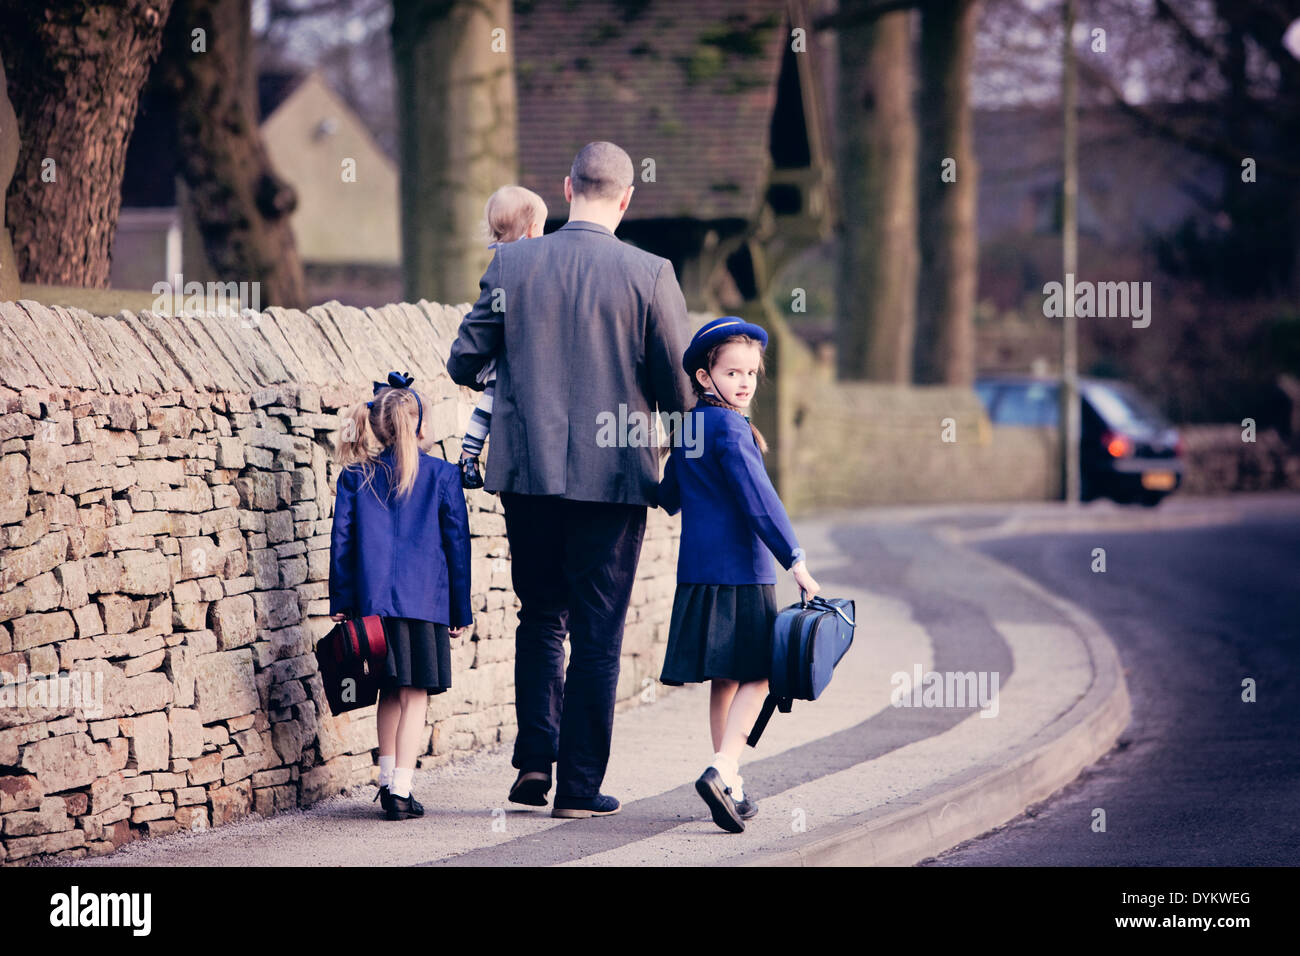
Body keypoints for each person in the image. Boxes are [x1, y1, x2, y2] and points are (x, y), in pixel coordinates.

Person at [447, 142, 695, 818]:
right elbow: (678, 388)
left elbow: (464, 361)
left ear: (565, 188)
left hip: (527, 476)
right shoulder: (651, 273)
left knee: (540, 617)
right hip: (614, 482)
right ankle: (579, 789)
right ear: (625, 198)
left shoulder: (512, 262)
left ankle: (534, 761)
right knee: (597, 634)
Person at [657, 317, 820, 833]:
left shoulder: (690, 427)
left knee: (726, 679)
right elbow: (760, 501)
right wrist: (795, 559)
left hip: (697, 575)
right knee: (761, 674)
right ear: (706, 377)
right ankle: (723, 767)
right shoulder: (730, 428)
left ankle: (733, 785)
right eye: (733, 372)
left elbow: (667, 498)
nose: (745, 382)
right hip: (742, 574)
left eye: (751, 372)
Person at [328, 371, 473, 821]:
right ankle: (401, 792)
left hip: (372, 604)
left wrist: (343, 602)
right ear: (421, 426)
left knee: (389, 691)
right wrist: (460, 609)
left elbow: (342, 543)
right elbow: (457, 547)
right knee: (414, 696)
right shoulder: (444, 475)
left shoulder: (357, 476)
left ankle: (388, 782)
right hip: (425, 603)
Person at [458, 185, 549, 491]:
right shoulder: (516, 264)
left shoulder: (501, 260)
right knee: (490, 402)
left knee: (488, 404)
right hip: (516, 358)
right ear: (534, 229)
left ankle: (468, 454)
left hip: (505, 361)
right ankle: (468, 454)